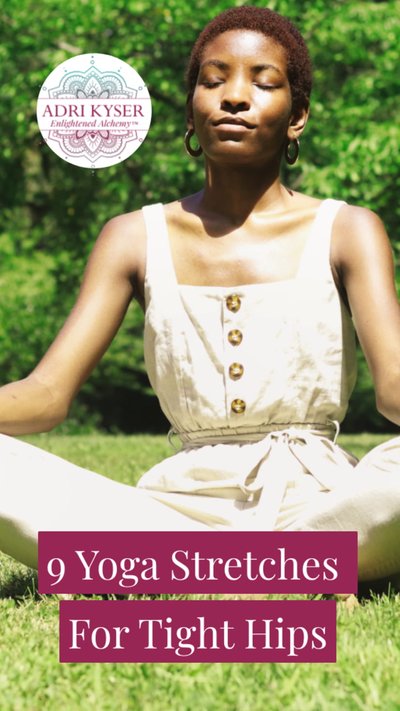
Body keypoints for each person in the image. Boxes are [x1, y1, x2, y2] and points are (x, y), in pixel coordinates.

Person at [1, 6, 400, 580]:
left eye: (263, 83)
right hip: (170, 517)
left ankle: (212, 570)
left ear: (298, 117)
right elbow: (46, 394)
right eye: (213, 82)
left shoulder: (349, 229)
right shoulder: (132, 236)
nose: (234, 97)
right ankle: (275, 571)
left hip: (323, 510)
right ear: (191, 109)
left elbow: (392, 391)